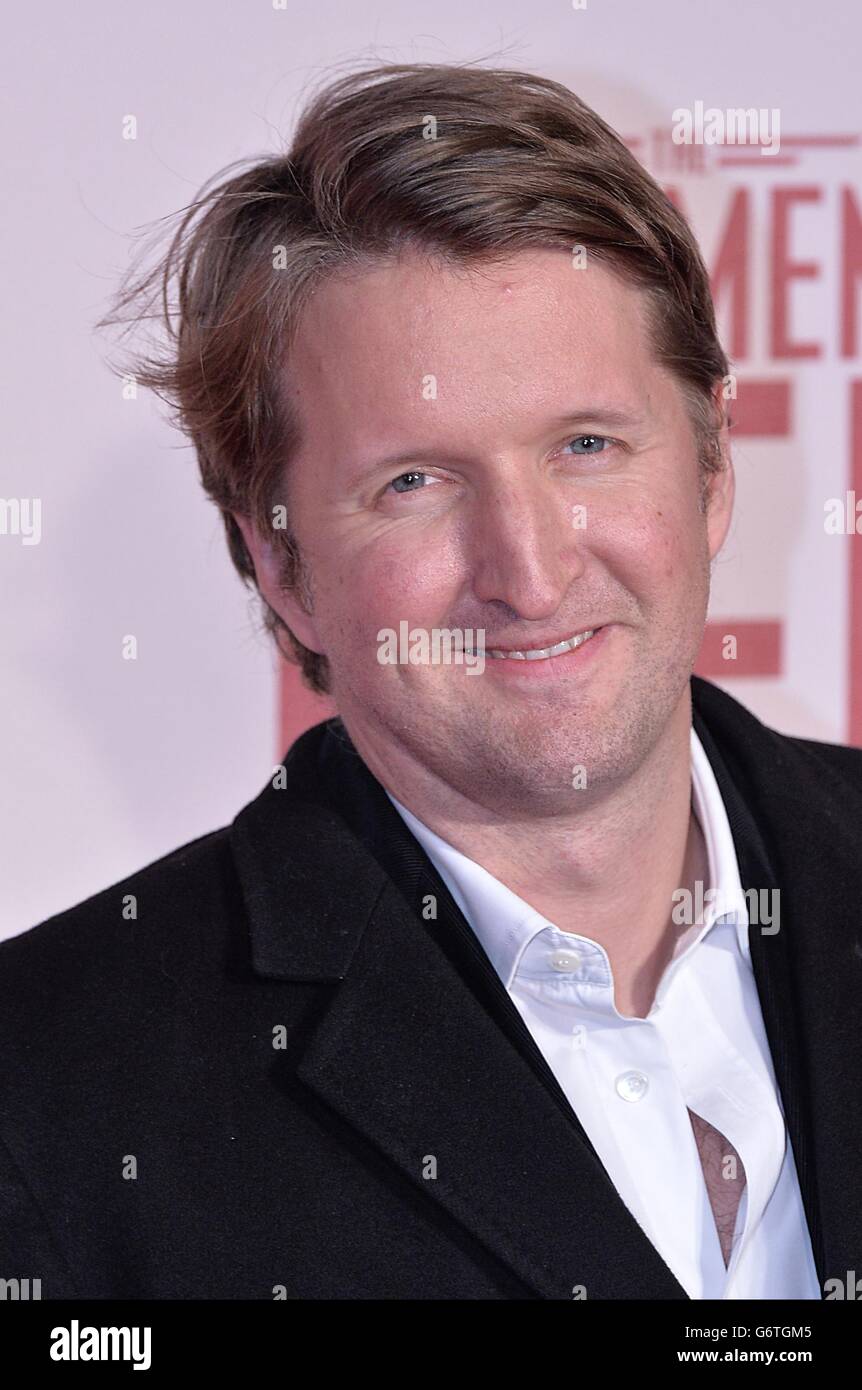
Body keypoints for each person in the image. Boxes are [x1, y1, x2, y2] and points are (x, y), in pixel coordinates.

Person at [2, 62, 860, 1301]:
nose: (529, 568)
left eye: (586, 445)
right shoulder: (49, 1099)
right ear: (281, 562)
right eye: (414, 482)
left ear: (714, 467)